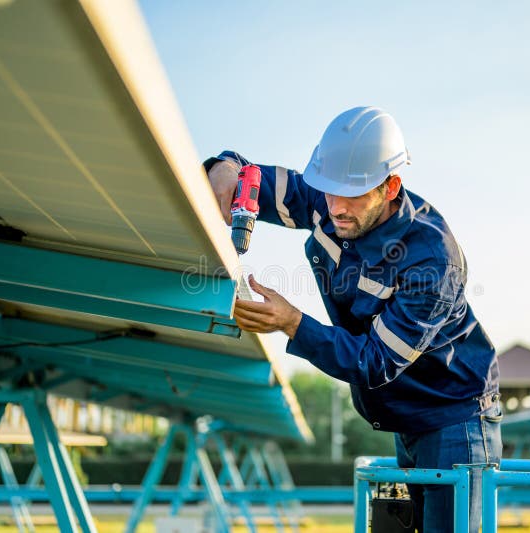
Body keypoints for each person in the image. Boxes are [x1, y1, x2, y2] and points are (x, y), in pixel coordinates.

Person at [205, 106, 501, 533]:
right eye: (328, 191)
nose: (336, 208)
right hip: (408, 418)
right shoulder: (330, 199)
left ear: (391, 185)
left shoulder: (431, 260)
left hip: (455, 419)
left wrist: (291, 322)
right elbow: (252, 179)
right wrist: (225, 167)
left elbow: (373, 362)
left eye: (352, 195)